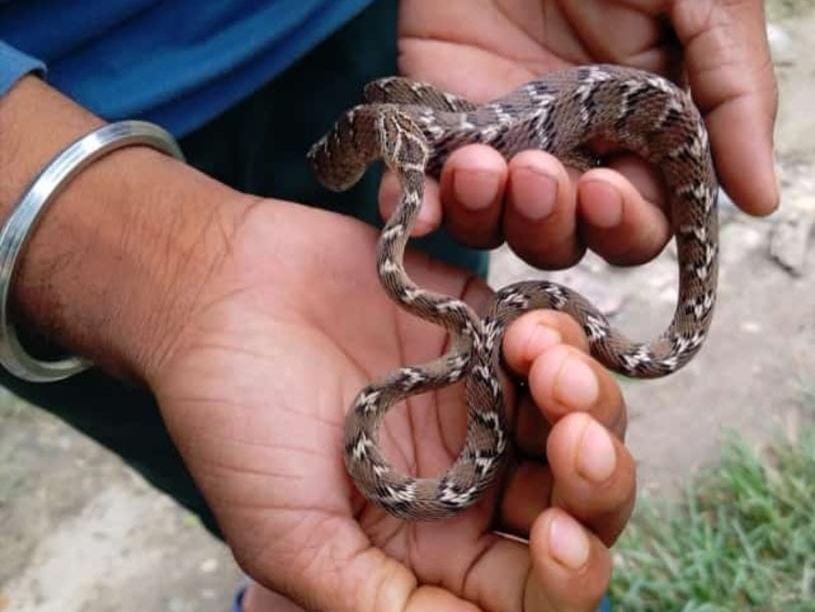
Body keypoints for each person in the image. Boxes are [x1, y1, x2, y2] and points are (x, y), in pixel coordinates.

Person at [0, 1, 777, 611]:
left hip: (353, 28)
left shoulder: (415, 159)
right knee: (273, 479)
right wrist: (152, 273)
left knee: (465, 476)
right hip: (54, 155)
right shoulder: (406, 191)